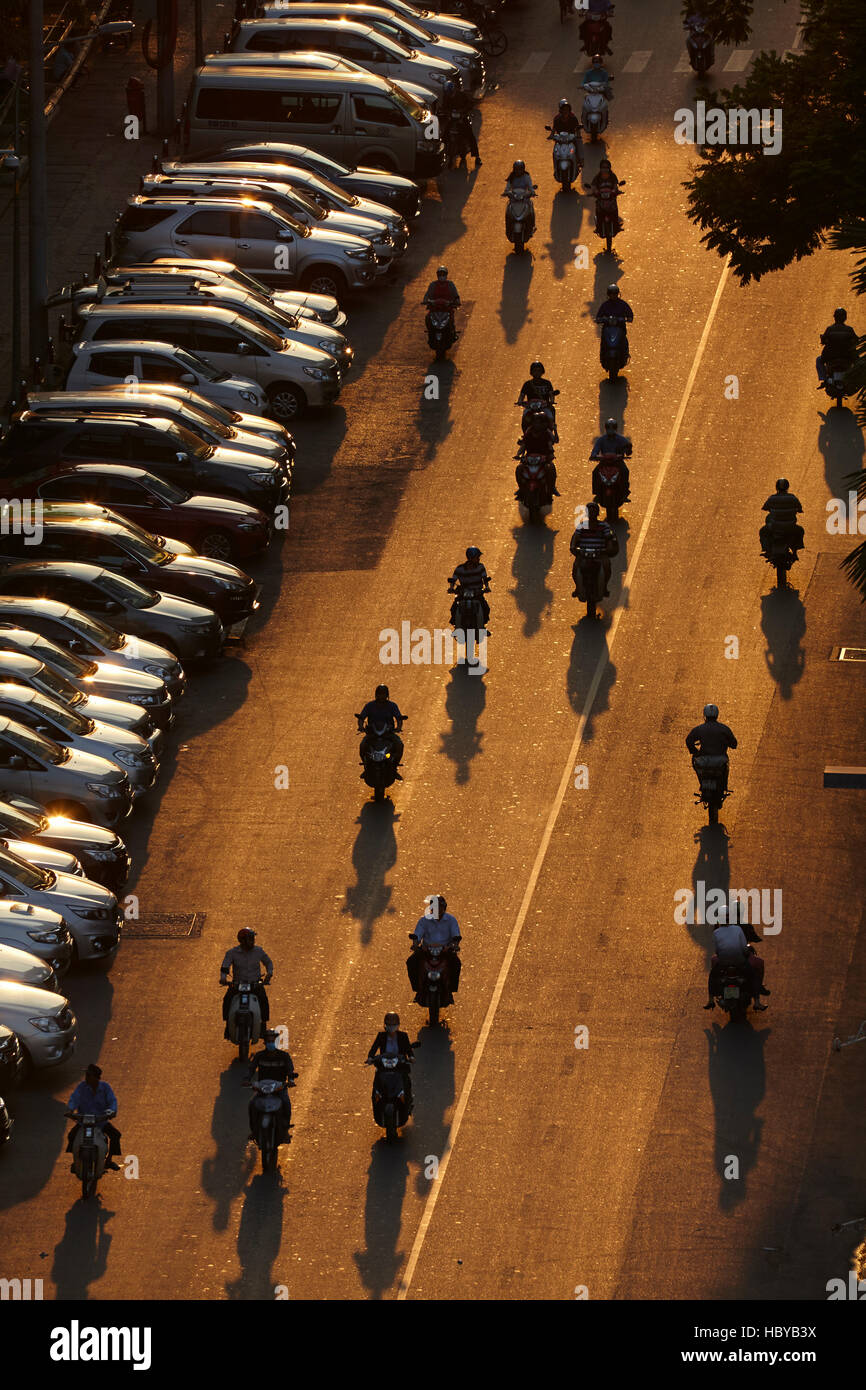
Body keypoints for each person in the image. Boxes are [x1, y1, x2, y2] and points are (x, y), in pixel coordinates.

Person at [704, 911, 770, 1011]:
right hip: (739, 961)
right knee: (753, 976)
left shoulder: (716, 932)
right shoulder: (738, 928)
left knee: (712, 976)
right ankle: (757, 1002)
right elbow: (744, 947)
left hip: (723, 962)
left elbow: (717, 950)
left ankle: (710, 1000)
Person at [65, 1064, 121, 1171]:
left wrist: (112, 1111)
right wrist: (70, 1110)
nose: (86, 1077)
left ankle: (108, 1160)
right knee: (71, 1136)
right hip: (84, 1122)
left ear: (95, 1077)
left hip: (100, 1122)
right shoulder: (82, 1087)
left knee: (116, 1135)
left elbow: (112, 1101)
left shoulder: (105, 1088)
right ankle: (75, 1161)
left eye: (88, 1075)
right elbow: (74, 1098)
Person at [220, 928, 273, 1038]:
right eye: (250, 939)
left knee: (263, 1000)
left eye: (253, 939)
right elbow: (225, 966)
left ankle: (263, 1025)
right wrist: (223, 978)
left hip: (255, 984)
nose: (253, 941)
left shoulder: (259, 951)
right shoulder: (232, 953)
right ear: (242, 941)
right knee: (227, 1000)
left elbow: (268, 962)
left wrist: (269, 973)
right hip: (238, 985)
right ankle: (227, 1026)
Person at [407, 895, 462, 996]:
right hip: (427, 951)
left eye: (440, 907)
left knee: (456, 963)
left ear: (444, 908)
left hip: (445, 951)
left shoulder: (451, 920)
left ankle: (451, 988)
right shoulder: (424, 921)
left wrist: (453, 945)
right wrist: (415, 944)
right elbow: (418, 935)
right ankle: (417, 988)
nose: (437, 909)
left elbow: (456, 935)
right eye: (435, 907)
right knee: (411, 962)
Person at [247, 1028, 297, 1138]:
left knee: (286, 1104)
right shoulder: (259, 1056)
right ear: (265, 1043)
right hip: (263, 1088)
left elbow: (290, 1070)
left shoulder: (284, 1056)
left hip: (279, 1088)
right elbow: (251, 1068)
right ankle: (254, 1131)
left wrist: (291, 1080)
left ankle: (285, 1131)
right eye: (268, 1041)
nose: (270, 1043)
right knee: (252, 1105)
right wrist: (247, 1079)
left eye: (272, 1041)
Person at [367, 1011, 414, 1111]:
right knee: (376, 1082)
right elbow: (374, 1048)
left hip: (399, 1066)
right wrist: (370, 1058)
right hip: (384, 1066)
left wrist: (411, 1057)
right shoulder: (381, 1036)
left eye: (393, 1024)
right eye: (389, 1024)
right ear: (385, 1025)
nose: (391, 1026)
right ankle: (376, 1102)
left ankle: (408, 1101)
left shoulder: (403, 1036)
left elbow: (409, 1050)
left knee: (406, 1081)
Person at [570, 501, 618, 597]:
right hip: (584, 554)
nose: (592, 514)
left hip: (600, 554)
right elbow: (576, 537)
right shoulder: (582, 525)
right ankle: (578, 588)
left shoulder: (604, 526)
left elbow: (608, 539)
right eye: (590, 512)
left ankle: (604, 587)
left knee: (607, 565)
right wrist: (574, 547)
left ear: (597, 513)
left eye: (594, 512)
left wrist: (608, 549)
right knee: (576, 567)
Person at [685, 704, 737, 792]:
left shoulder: (699, 729)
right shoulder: (724, 729)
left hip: (703, 760)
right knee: (725, 768)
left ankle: (702, 783)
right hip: (720, 760)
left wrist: (695, 751)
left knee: (695, 762)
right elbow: (734, 744)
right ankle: (724, 786)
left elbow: (689, 740)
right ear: (717, 715)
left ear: (704, 715)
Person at [357, 684, 406, 773]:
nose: (381, 696)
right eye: (380, 694)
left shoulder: (392, 706)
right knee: (362, 745)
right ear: (376, 694)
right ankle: (366, 766)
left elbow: (399, 718)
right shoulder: (369, 706)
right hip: (372, 733)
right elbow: (361, 718)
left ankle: (395, 766)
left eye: (383, 694)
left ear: (387, 695)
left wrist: (399, 727)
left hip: (388, 733)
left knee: (399, 745)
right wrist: (360, 726)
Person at [440, 79, 481, 166]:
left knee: (470, 135)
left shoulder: (461, 95)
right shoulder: (446, 97)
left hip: (462, 117)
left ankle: (477, 157)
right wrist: (447, 112)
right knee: (444, 136)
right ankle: (441, 156)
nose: (449, 95)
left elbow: (469, 104)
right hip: (452, 118)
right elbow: (444, 107)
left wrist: (463, 111)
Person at [449, 546, 491, 628]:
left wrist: (487, 587)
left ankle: (482, 626)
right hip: (463, 593)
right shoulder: (459, 569)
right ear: (471, 558)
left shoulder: (481, 567)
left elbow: (485, 578)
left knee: (486, 608)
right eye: (477, 557)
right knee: (453, 608)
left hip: (477, 593)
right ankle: (455, 624)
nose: (479, 559)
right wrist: (451, 588)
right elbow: (453, 579)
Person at [760, 479, 804, 554]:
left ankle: (766, 548)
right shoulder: (792, 498)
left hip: (775, 527)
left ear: (776, 487)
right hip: (790, 526)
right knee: (800, 530)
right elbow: (799, 508)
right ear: (787, 487)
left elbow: (765, 507)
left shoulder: (772, 498)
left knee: (763, 531)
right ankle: (796, 549)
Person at [816, 308, 858, 383]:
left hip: (831, 356)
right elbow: (856, 340)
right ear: (845, 318)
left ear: (835, 317)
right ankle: (857, 379)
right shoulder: (849, 329)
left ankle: (824, 379)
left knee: (819, 360)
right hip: (847, 356)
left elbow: (823, 340)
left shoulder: (829, 329)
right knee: (859, 362)